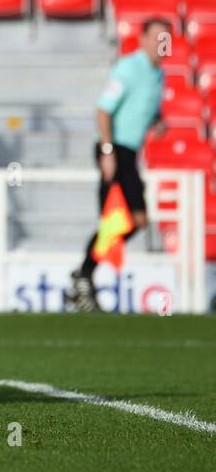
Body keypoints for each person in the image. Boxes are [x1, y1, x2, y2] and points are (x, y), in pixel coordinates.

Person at [68, 18, 166, 312]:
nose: (162, 44)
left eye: (166, 39)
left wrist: (157, 121)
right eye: (157, 37)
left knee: (132, 220)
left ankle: (84, 273)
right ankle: (84, 276)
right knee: (118, 219)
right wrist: (107, 151)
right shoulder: (128, 68)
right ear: (143, 39)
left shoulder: (158, 75)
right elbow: (103, 110)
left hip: (129, 153)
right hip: (114, 150)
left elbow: (146, 108)